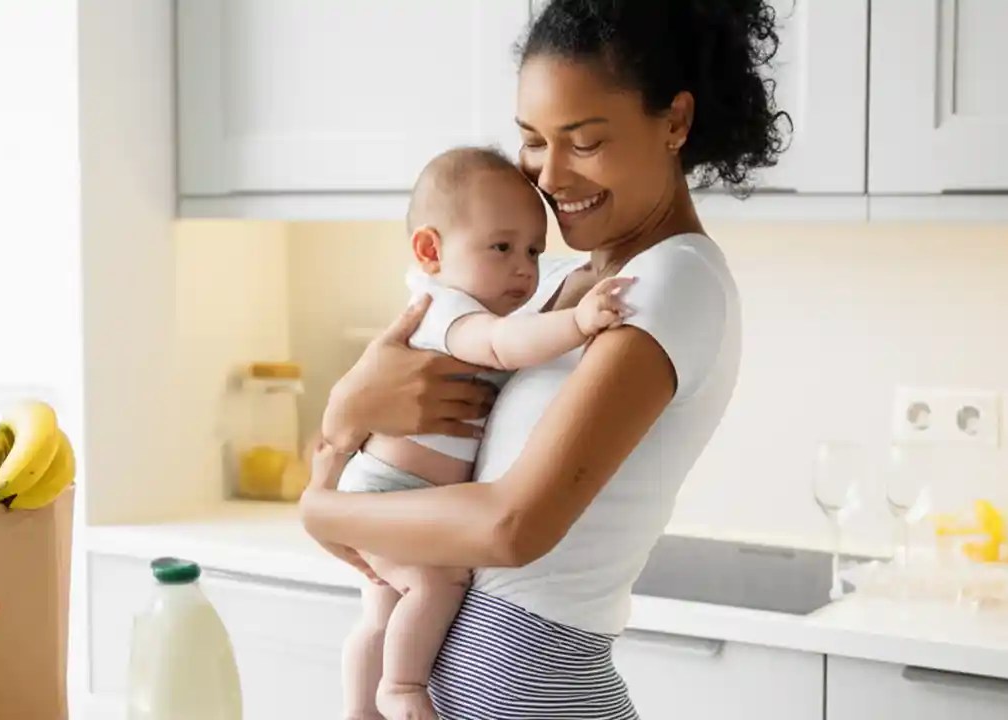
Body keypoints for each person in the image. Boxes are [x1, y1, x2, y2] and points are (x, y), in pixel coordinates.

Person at [301, 0, 788, 717]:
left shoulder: (671, 283)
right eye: (532, 139)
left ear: (675, 123)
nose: (550, 175)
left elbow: (511, 527)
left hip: (541, 694)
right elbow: (430, 389)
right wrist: (346, 412)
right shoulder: (555, 283)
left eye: (584, 142)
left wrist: (323, 511)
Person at [337, 144, 634, 720]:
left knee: (380, 610)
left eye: (533, 249)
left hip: (392, 493)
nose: (524, 268)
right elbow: (498, 347)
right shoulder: (447, 309)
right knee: (437, 582)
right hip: (389, 492)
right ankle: (400, 688)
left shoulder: (474, 301)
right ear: (430, 250)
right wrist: (577, 321)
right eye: (501, 247)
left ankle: (359, 711)